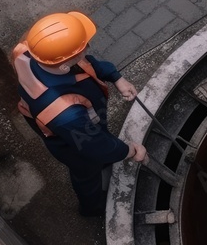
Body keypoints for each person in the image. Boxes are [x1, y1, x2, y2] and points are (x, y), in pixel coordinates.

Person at [12, 11, 147, 216]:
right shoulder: (65, 114)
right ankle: (91, 208)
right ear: (65, 64)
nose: (88, 48)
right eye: (83, 48)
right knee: (86, 172)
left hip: (79, 127)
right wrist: (128, 151)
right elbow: (94, 145)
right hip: (71, 144)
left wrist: (116, 78)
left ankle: (104, 163)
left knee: (100, 147)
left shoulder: (35, 54)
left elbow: (90, 64)